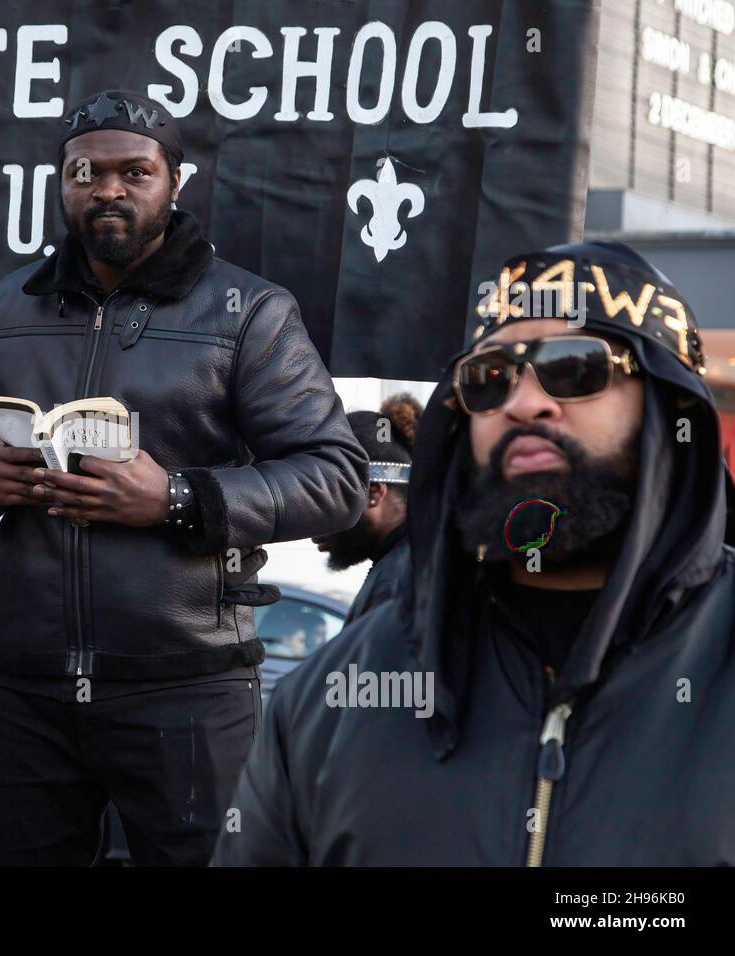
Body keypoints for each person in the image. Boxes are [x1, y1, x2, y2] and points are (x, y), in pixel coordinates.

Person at [0, 89, 368, 866]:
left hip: (187, 686)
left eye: (134, 172)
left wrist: (173, 498)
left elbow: (334, 477)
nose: (106, 190)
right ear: (61, 182)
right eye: (84, 172)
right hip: (24, 685)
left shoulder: (249, 313)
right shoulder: (12, 303)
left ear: (175, 180)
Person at [213, 241, 735, 866]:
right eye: (490, 378)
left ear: (670, 405)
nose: (524, 401)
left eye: (573, 365)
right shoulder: (335, 699)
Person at [314, 394, 422, 623]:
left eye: (324, 500)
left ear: (373, 493)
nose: (313, 528)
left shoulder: (400, 584)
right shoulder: (408, 565)